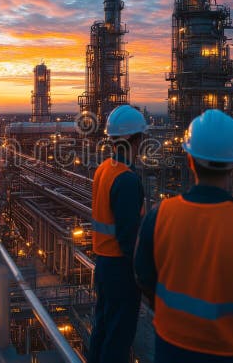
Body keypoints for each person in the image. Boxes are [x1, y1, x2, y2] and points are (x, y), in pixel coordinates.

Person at [134, 109, 233, 362]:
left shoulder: (160, 214)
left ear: (189, 160)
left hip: (170, 346)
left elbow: (142, 275)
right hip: (227, 351)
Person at [87, 104, 146, 363]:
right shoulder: (128, 180)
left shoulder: (104, 169)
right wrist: (142, 273)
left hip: (103, 263)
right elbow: (128, 237)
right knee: (119, 337)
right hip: (121, 268)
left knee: (102, 327)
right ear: (136, 140)